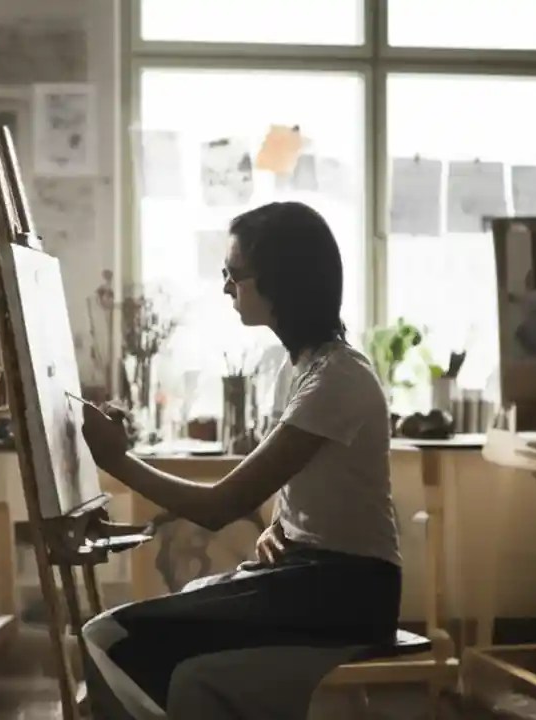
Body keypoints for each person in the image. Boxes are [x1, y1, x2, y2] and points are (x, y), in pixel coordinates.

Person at [79, 201, 402, 719]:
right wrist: (283, 526)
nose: (226, 288)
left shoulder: (338, 379)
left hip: (347, 592)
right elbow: (306, 485)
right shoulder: (294, 372)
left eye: (234, 275)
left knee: (110, 634)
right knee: (166, 646)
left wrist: (114, 458)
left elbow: (220, 506)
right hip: (309, 574)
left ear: (280, 282)